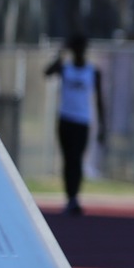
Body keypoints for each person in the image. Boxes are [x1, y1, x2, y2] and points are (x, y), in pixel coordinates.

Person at [44, 33, 99, 217]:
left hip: (82, 122)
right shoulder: (65, 68)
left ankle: (75, 197)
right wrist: (60, 52)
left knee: (77, 160)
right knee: (68, 160)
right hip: (65, 119)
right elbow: (47, 72)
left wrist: (103, 126)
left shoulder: (93, 72)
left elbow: (100, 101)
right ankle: (70, 198)